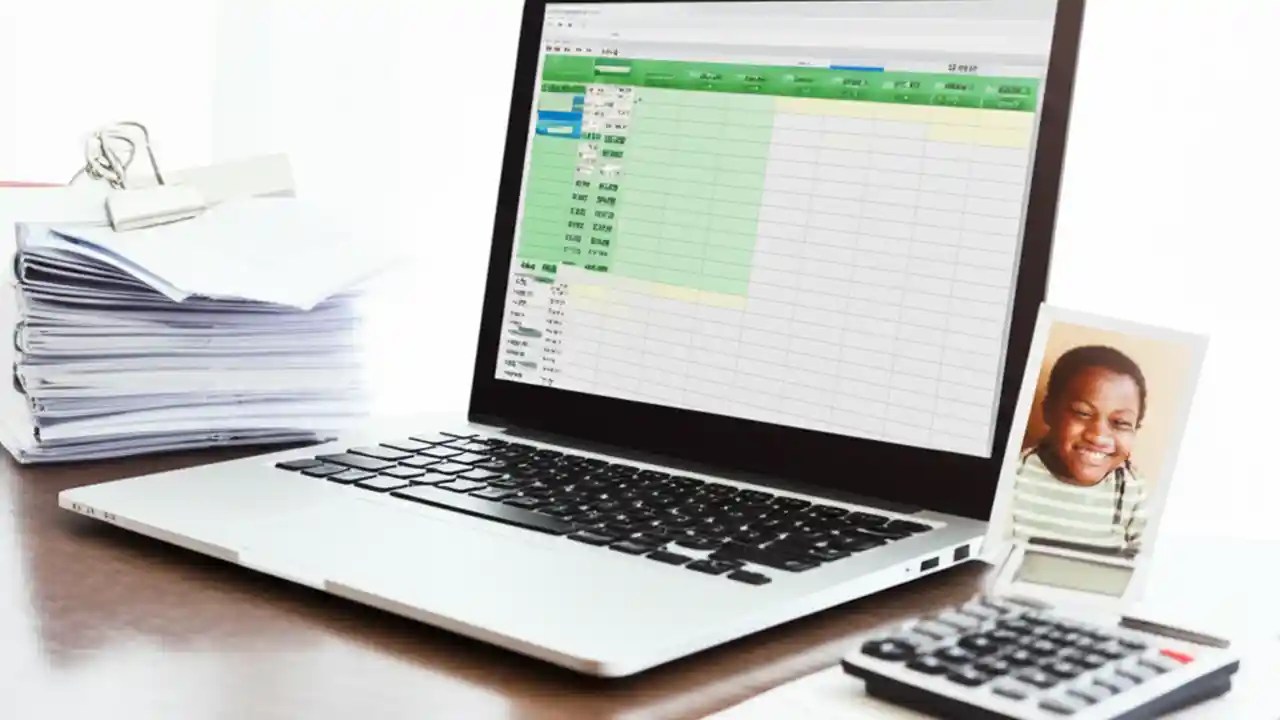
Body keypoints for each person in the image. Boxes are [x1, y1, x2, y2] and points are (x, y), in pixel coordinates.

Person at [1011, 345, 1148, 557]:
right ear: (1049, 411)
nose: (1098, 435)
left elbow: (1147, 562)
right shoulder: (1014, 476)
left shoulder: (1132, 488)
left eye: (1120, 422)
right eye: (1082, 413)